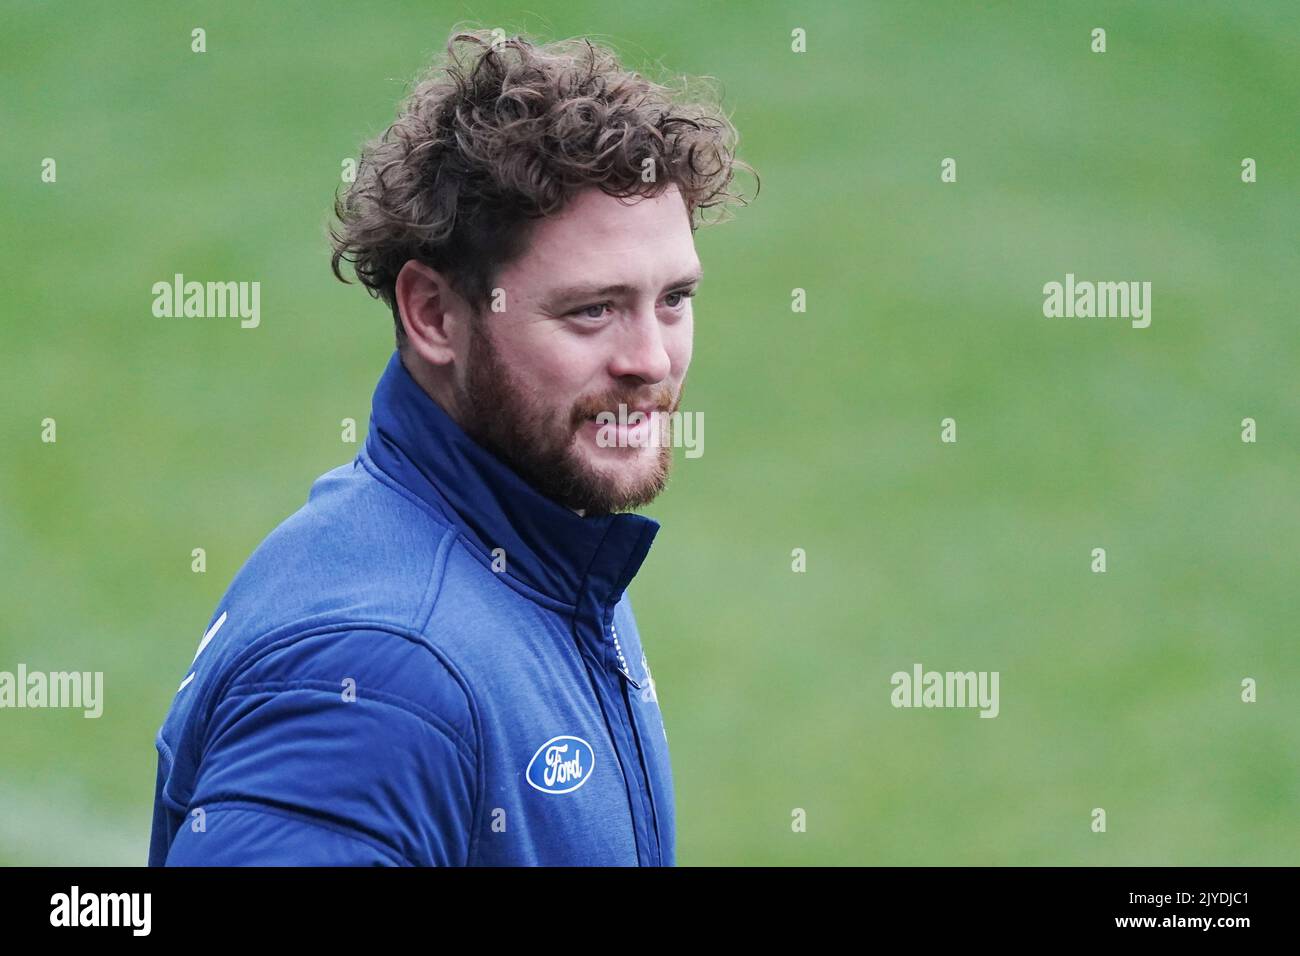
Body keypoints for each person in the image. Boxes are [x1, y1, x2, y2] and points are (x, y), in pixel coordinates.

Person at [148, 28, 753, 866]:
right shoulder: (382, 675)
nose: (650, 359)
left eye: (675, 299)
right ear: (434, 314)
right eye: (592, 310)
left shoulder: (541, 545)